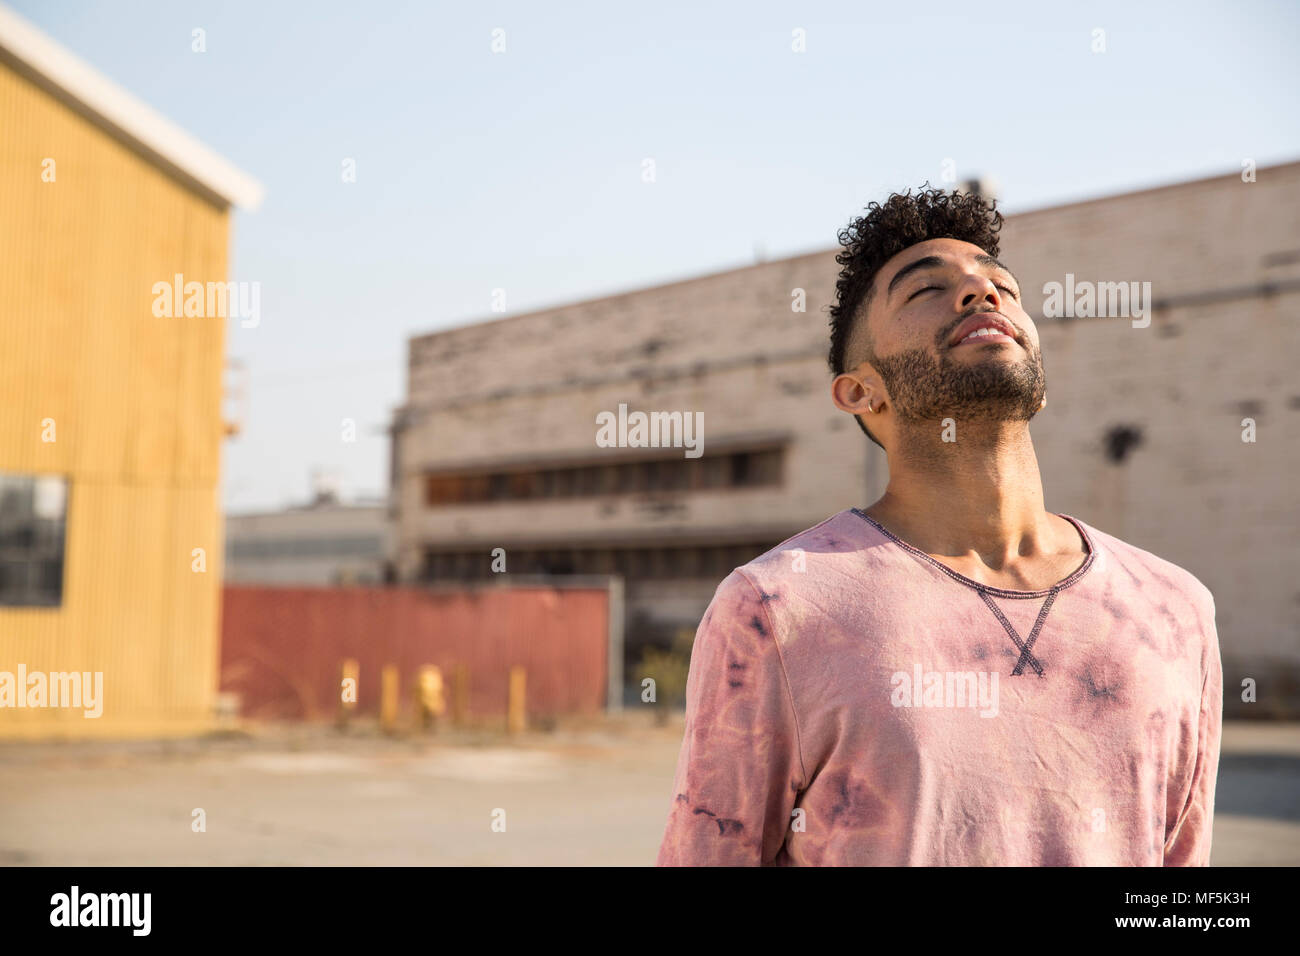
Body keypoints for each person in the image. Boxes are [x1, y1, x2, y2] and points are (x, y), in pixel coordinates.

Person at [656, 187, 1222, 866]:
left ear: (1039, 379)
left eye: (1001, 286)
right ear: (861, 391)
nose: (981, 295)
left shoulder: (1174, 609)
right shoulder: (779, 609)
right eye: (926, 289)